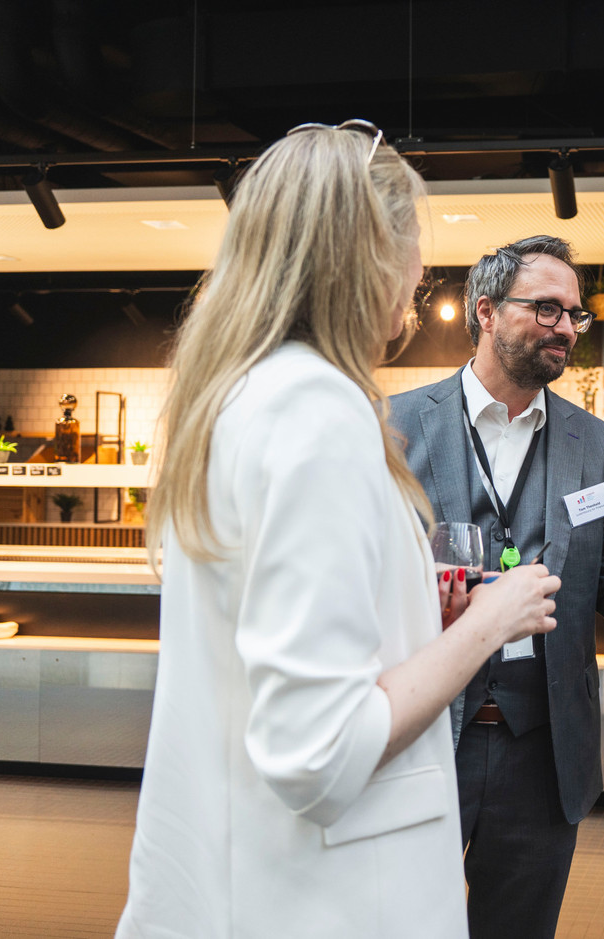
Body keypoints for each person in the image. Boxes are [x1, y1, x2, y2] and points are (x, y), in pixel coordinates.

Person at [116, 121, 560, 938]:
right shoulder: (317, 412)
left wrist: (416, 620)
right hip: (324, 897)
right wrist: (490, 624)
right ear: (368, 253)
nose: (420, 270)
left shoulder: (241, 398)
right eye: (413, 242)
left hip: (244, 879)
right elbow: (319, 749)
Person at [387, 234, 604, 939]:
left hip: (541, 753)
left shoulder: (597, 446)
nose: (567, 328)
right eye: (546, 309)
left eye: (574, 314)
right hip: (422, 733)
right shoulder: (394, 426)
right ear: (486, 311)